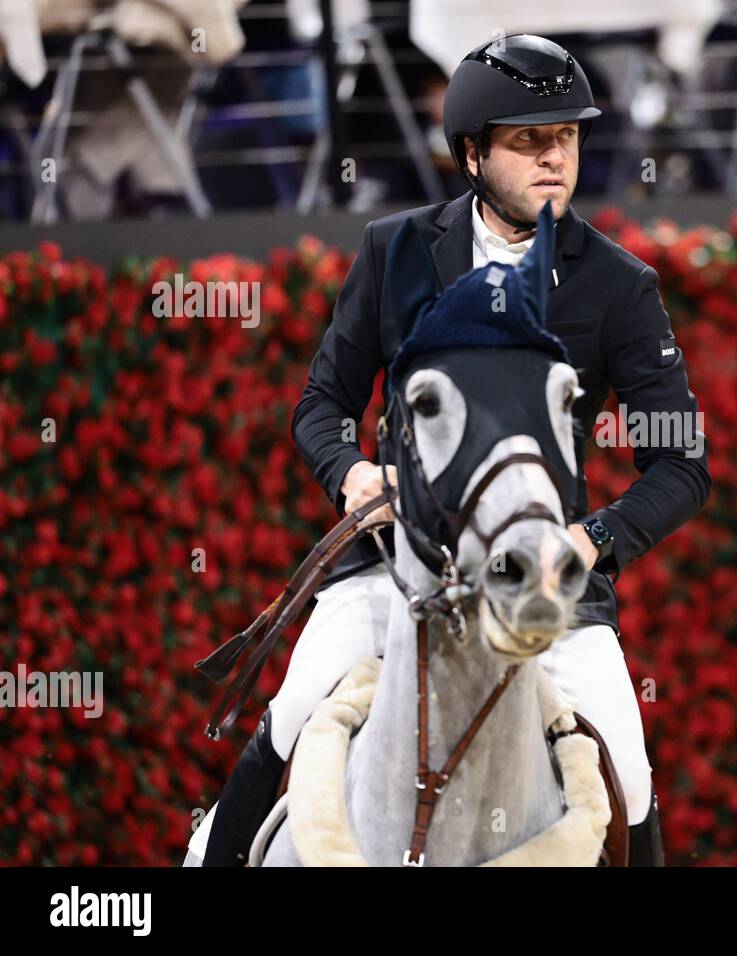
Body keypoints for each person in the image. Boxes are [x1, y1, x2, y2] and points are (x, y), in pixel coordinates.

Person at [189, 33, 709, 868]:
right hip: (401, 571)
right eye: (528, 140)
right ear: (472, 152)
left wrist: (587, 541)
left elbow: (682, 465)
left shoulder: (618, 285)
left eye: (567, 137)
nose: (554, 159)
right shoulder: (395, 250)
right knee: (291, 710)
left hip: (543, 579)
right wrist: (354, 471)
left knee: (632, 765)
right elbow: (322, 403)